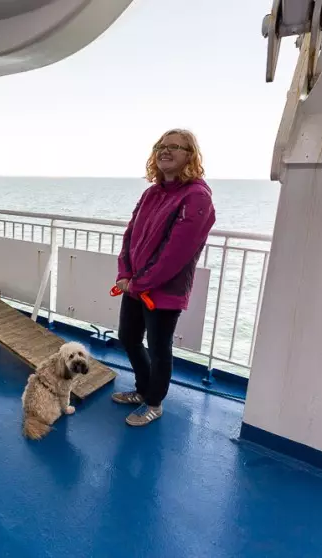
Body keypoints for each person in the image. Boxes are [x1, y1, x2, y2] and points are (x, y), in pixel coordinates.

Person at [112, 129, 215, 426]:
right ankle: (143, 389)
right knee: (128, 337)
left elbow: (176, 253)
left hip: (164, 291)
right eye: (161, 146)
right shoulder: (152, 193)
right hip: (135, 286)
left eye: (174, 147)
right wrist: (125, 273)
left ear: (189, 155)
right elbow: (130, 236)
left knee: (159, 348)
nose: (165, 151)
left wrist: (139, 282)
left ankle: (154, 402)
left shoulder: (196, 196)